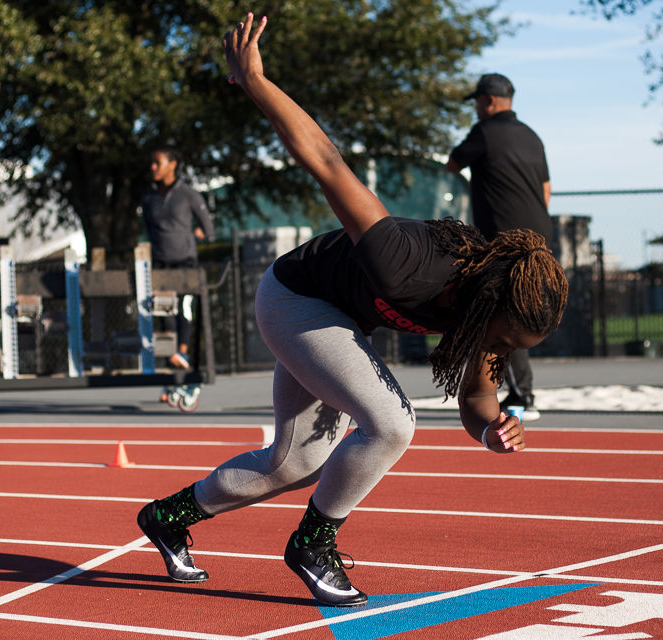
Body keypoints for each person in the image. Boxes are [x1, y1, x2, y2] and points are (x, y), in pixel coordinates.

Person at [136, 13, 568, 608]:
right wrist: (256, 81)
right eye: (508, 339)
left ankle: (167, 515)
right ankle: (313, 544)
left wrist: (491, 429)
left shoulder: (484, 316)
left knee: (296, 462)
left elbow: (475, 399)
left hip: (333, 319)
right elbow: (325, 159)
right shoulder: (408, 260)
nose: (504, 353)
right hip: (295, 299)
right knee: (393, 423)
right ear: (487, 303)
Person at [446, 73, 553, 420]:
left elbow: (451, 165)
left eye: (477, 101)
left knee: (500, 315)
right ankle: (520, 393)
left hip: (503, 242)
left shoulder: (485, 133)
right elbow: (546, 188)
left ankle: (522, 396)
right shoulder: (532, 137)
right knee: (518, 311)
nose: (476, 107)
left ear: (489, 101)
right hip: (540, 239)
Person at [139, 145, 215, 371]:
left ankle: (182, 353)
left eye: (157, 163)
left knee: (184, 309)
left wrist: (197, 234)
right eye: (151, 163)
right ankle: (172, 361)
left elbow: (208, 227)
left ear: (172, 165)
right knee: (164, 312)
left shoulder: (188, 194)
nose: (153, 167)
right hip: (160, 264)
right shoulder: (148, 199)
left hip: (186, 263)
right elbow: (148, 230)